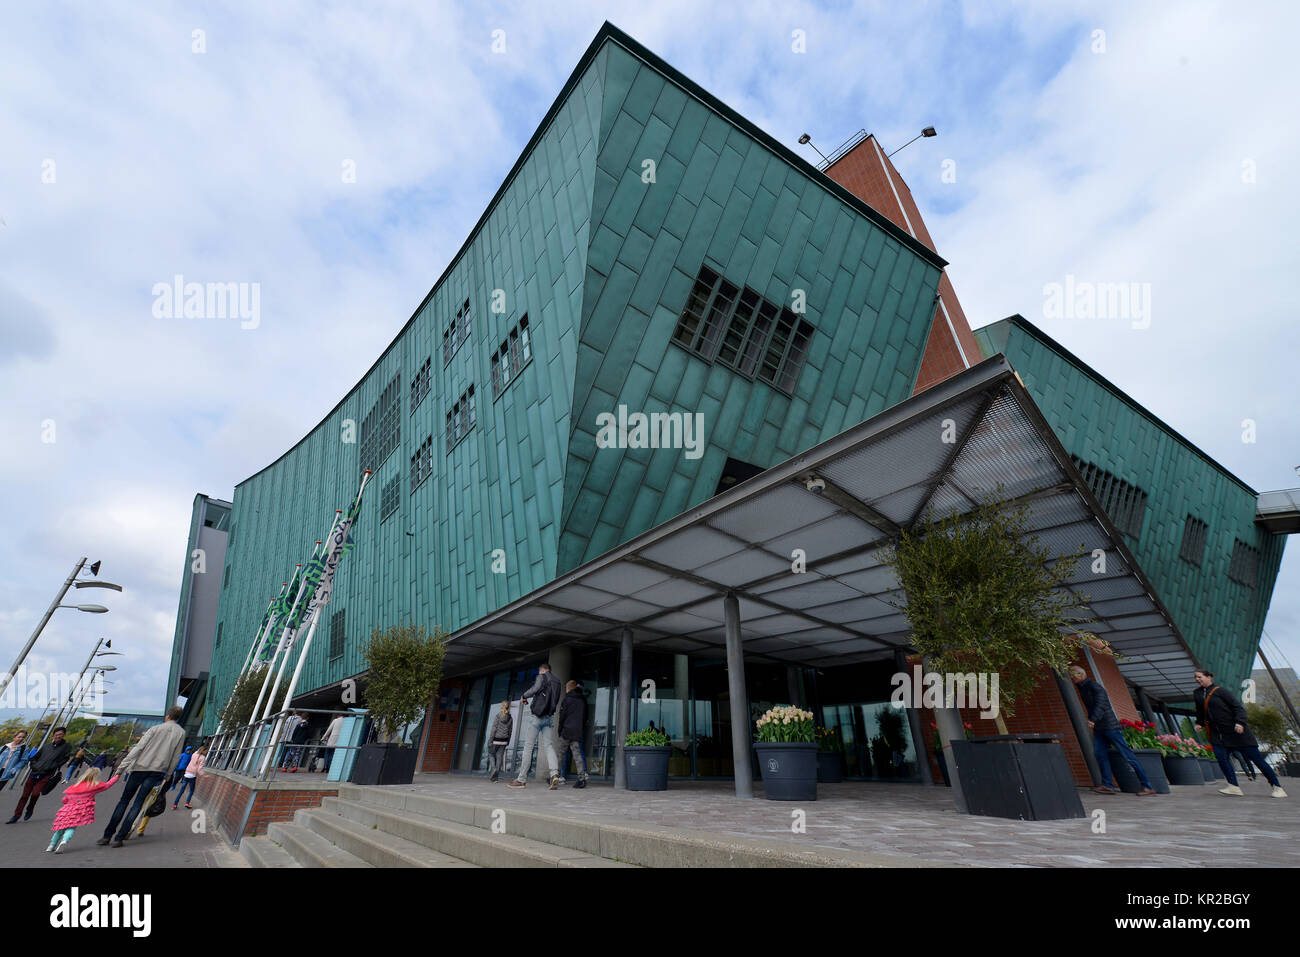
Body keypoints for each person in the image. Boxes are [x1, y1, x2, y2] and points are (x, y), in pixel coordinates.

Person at [97, 706, 186, 848]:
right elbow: (176, 757)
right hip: (157, 772)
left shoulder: (155, 729)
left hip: (140, 768)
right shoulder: (181, 733)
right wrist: (168, 774)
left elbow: (138, 748)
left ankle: (107, 836)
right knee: (138, 804)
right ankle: (119, 838)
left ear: (168, 716)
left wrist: (121, 768)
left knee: (123, 801)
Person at [1193, 669, 1287, 798]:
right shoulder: (1197, 693)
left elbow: (1238, 707)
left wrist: (1240, 722)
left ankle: (1277, 787)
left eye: (1200, 677)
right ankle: (1234, 787)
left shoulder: (1221, 691)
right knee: (1222, 759)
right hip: (1218, 735)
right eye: (1196, 677)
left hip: (1238, 733)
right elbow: (1200, 711)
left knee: (1257, 760)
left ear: (1209, 677)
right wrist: (1199, 723)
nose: (1197, 679)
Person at [1069, 667, 1157, 796]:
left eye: (1072, 675)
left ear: (1080, 675)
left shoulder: (1095, 687)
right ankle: (1107, 785)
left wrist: (1092, 719)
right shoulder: (1082, 687)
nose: (1071, 678)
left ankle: (1147, 786)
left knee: (1128, 756)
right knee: (1100, 755)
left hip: (1110, 727)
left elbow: (1101, 705)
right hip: (1100, 728)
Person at [509, 663, 562, 790]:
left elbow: (535, 688)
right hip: (549, 717)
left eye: (539, 671)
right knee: (549, 746)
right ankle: (554, 774)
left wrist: (524, 696)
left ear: (542, 670)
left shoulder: (542, 677)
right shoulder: (557, 681)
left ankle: (521, 780)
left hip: (537, 717)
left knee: (528, 746)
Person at [7, 727, 72, 823]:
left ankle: (30, 808)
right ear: (53, 735)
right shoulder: (46, 746)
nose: (58, 736)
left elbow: (65, 758)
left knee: (35, 794)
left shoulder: (66, 747)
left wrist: (53, 766)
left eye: (60, 734)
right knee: (24, 795)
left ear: (63, 735)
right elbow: (34, 758)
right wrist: (34, 766)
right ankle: (16, 815)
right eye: (56, 734)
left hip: (46, 774)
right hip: (34, 773)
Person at [47, 767, 118, 854]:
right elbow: (107, 785)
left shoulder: (75, 786)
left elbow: (64, 800)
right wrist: (116, 776)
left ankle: (51, 846)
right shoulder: (94, 786)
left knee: (60, 828)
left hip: (67, 810)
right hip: (79, 810)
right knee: (71, 827)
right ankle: (64, 841)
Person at [555, 680, 589, 789]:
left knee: (560, 754)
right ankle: (581, 779)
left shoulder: (567, 699)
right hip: (577, 731)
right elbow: (585, 717)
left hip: (566, 731)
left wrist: (559, 730)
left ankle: (556, 777)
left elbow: (562, 717)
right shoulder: (582, 700)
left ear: (569, 688)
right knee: (577, 755)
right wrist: (581, 728)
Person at [486, 701, 512, 783]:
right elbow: (510, 731)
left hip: (496, 739)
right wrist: (508, 741)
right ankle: (495, 778)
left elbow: (494, 729)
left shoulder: (498, 716)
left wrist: (490, 740)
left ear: (502, 707)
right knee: (499, 757)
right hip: (504, 740)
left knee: (491, 754)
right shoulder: (510, 718)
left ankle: (493, 769)